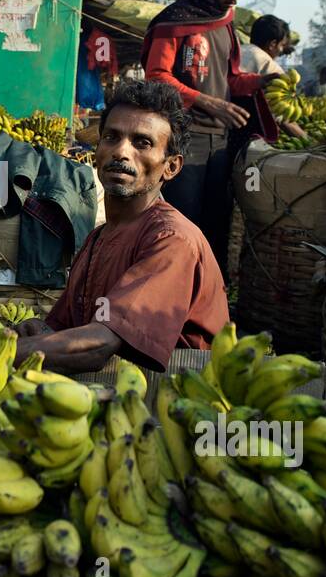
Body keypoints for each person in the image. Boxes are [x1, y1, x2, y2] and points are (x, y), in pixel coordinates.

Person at [15, 80, 229, 373]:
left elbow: (99, 345)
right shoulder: (98, 237)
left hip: (171, 405)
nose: (121, 152)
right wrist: (38, 330)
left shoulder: (172, 240)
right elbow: (67, 328)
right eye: (111, 138)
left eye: (142, 143)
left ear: (172, 167)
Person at [138, 0, 277, 272]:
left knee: (216, 226)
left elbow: (230, 80)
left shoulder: (225, 24)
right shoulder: (175, 20)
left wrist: (260, 82)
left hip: (221, 142)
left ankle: (210, 299)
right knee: (180, 223)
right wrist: (205, 100)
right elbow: (157, 76)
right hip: (185, 137)